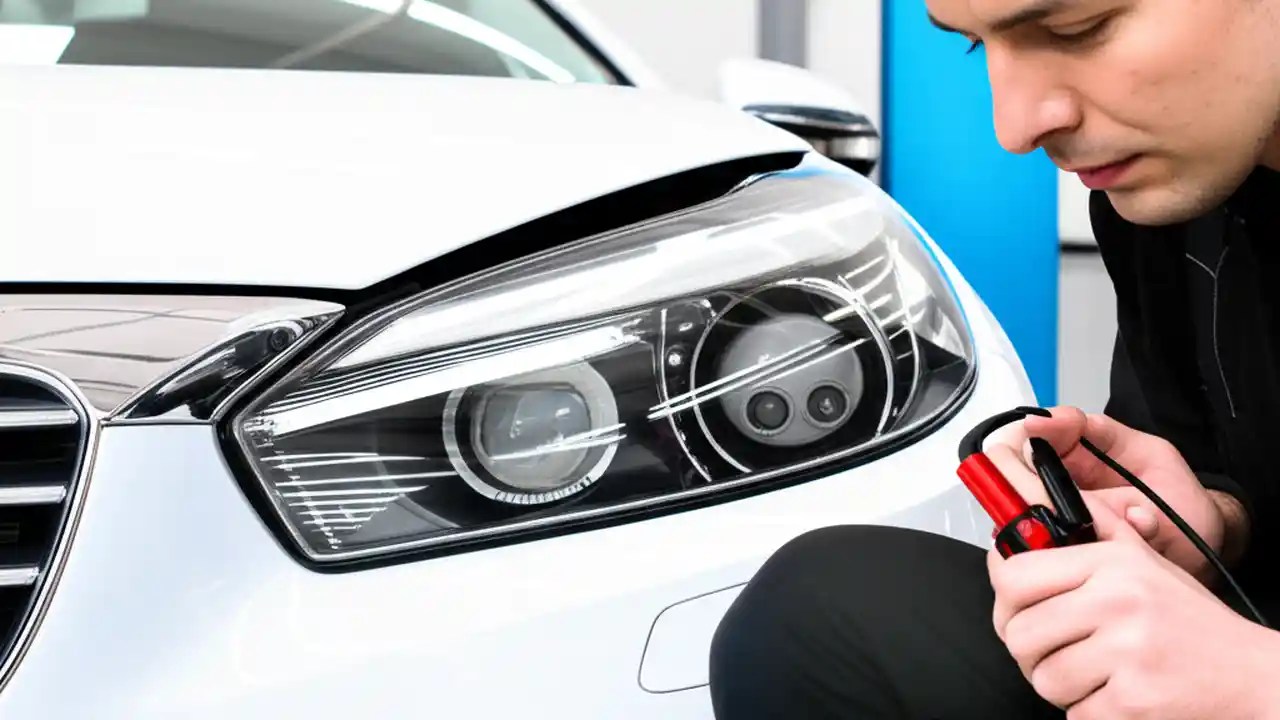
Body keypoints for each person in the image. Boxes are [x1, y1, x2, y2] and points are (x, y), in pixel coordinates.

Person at [707, 0, 1280, 717]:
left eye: (1080, 29)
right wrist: (1215, 521)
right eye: (978, 48)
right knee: (817, 610)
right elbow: (1207, 464)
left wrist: (1257, 680)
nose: (1015, 127)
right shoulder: (1170, 194)